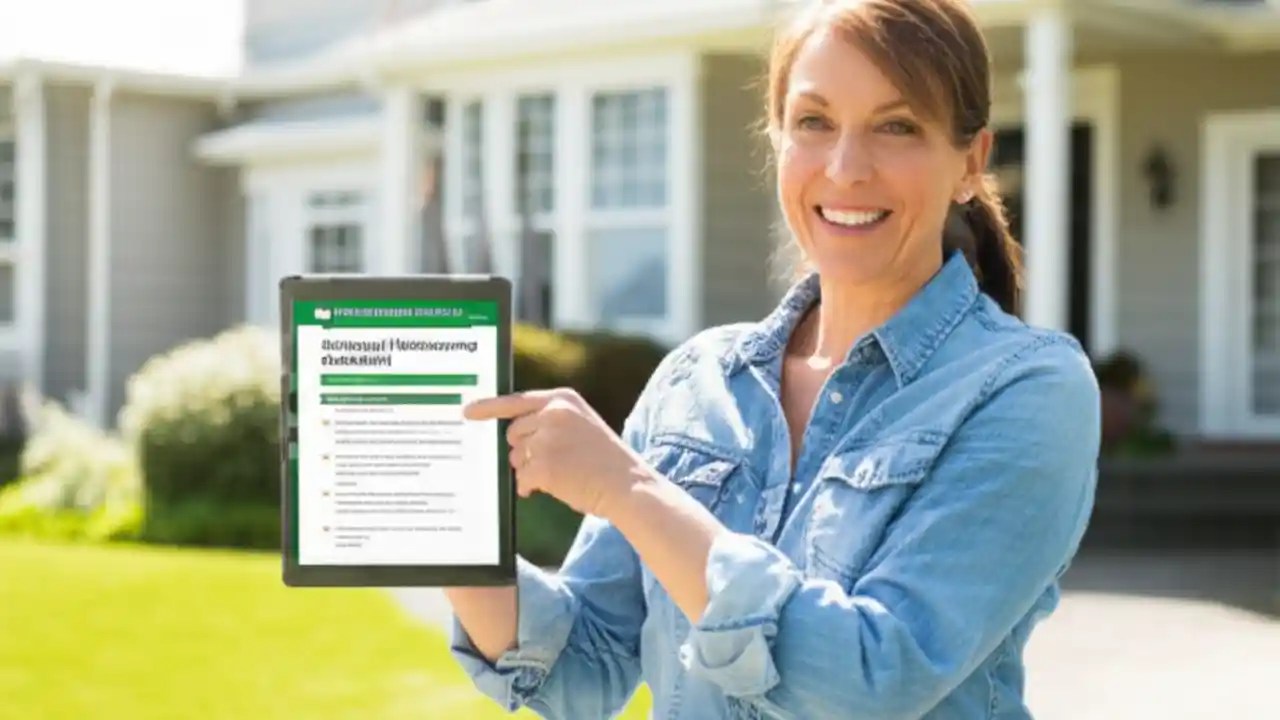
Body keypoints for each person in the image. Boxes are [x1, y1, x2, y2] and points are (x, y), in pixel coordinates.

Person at [445, 0, 1101, 717]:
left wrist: (628, 490)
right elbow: (582, 667)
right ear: (778, 140)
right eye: (814, 122)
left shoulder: (1025, 388)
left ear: (970, 163)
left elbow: (874, 678)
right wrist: (434, 514)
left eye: (897, 126)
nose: (846, 168)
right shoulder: (695, 382)